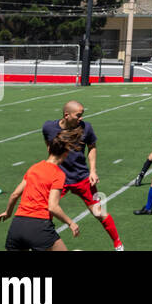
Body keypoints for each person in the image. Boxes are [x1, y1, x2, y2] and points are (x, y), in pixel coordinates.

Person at [42, 100, 124, 250]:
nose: (81, 118)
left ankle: (118, 244)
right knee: (46, 210)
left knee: (99, 213)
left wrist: (93, 170)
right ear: (66, 115)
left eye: (82, 115)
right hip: (59, 179)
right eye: (78, 115)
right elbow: (49, 149)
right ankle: (43, 242)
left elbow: (92, 147)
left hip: (82, 178)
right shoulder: (49, 127)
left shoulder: (86, 128)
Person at [0, 127, 83, 251]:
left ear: (49, 149)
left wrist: (8, 213)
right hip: (39, 227)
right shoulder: (58, 174)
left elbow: (15, 194)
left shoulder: (34, 168)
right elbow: (53, 207)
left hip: (17, 225)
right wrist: (71, 223)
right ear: (66, 153)